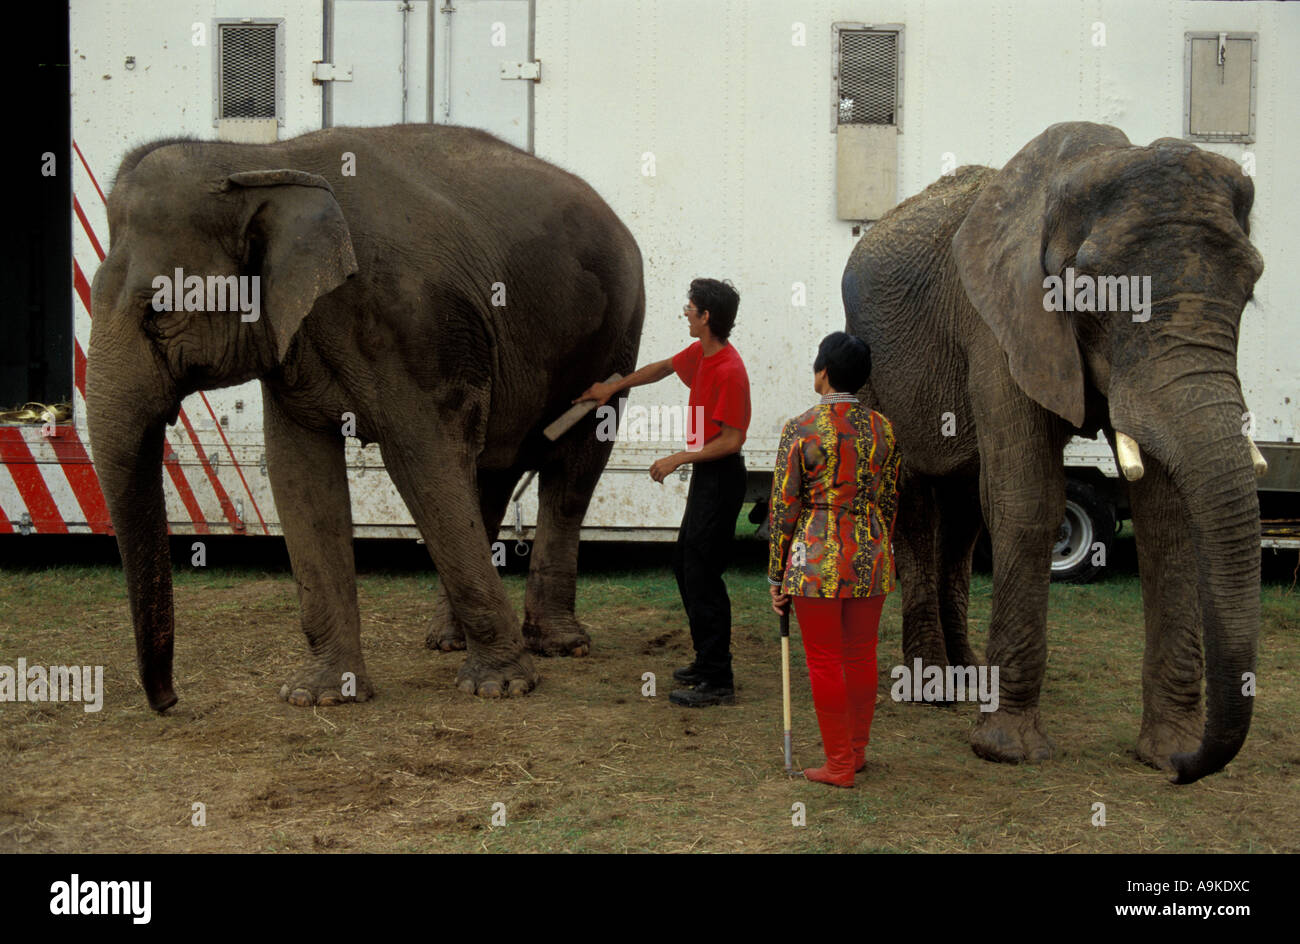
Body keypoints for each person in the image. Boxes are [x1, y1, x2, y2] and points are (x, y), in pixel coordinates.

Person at [576, 278, 751, 707]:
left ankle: (718, 678)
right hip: (708, 476)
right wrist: (612, 388)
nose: (686, 313)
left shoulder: (730, 369)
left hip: (722, 476)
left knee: (703, 574)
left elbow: (733, 440)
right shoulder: (702, 354)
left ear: (706, 316)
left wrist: (678, 458)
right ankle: (706, 660)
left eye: (690, 307)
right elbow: (662, 368)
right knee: (684, 565)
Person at [768, 331, 900, 786]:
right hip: (872, 550)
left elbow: (784, 506)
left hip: (815, 557)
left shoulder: (801, 428)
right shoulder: (883, 428)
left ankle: (839, 764)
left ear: (823, 372)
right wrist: (881, 547)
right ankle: (855, 755)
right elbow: (889, 501)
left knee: (825, 660)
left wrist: (776, 574)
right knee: (862, 657)